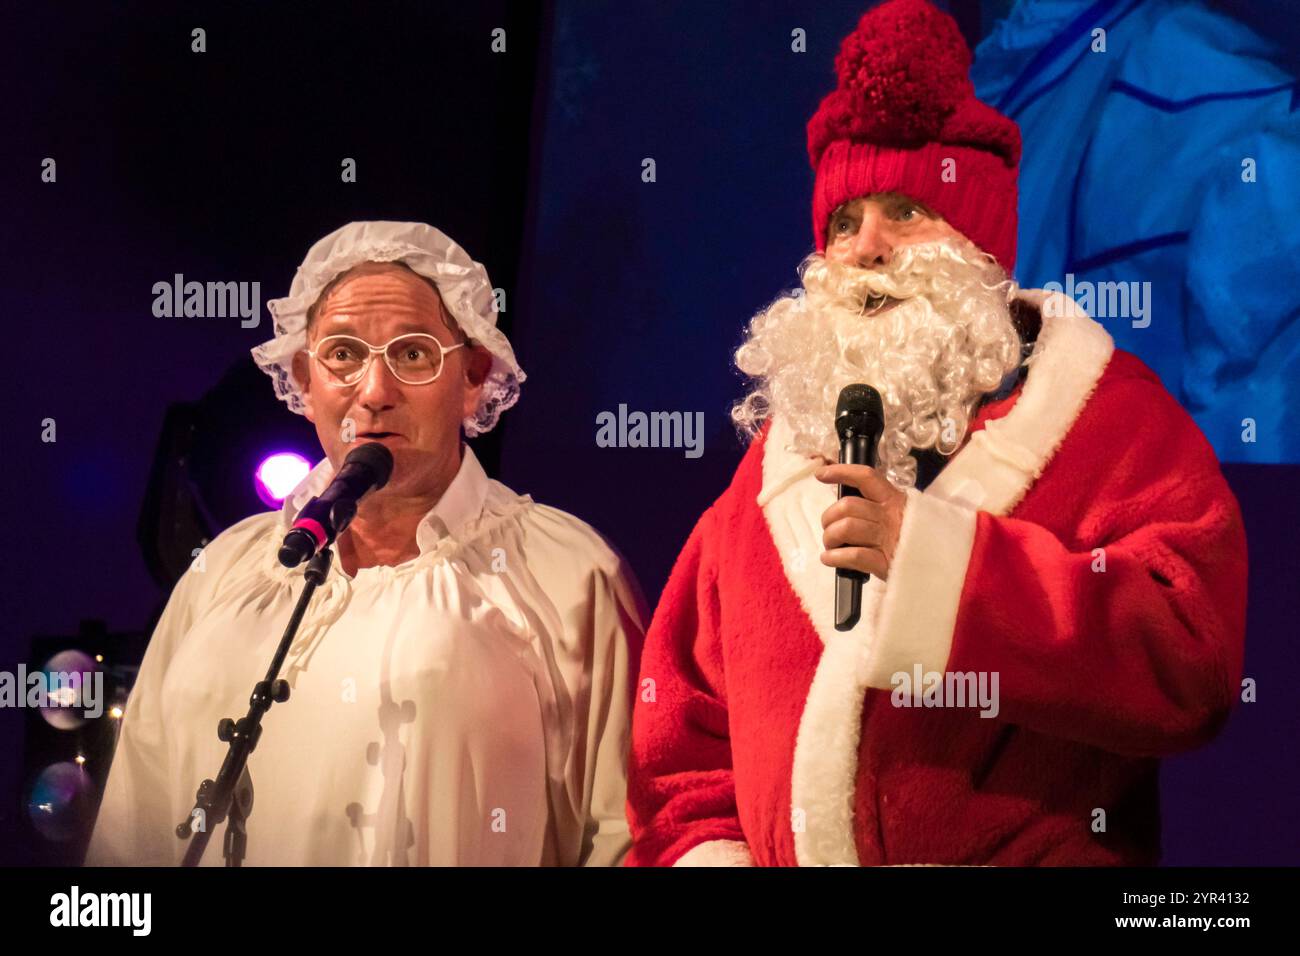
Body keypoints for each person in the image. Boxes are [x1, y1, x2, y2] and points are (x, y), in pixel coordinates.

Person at [624, 0, 1247, 867]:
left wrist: (947, 569)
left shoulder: (1109, 421)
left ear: (980, 243)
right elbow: (681, 751)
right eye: (844, 222)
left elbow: (1190, 663)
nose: (866, 247)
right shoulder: (769, 478)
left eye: (904, 210)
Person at [87, 221, 646, 866]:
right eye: (344, 355)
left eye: (412, 355)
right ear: (304, 377)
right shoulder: (224, 571)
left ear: (472, 375)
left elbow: (625, 837)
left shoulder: (568, 574)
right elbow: (132, 827)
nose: (374, 394)